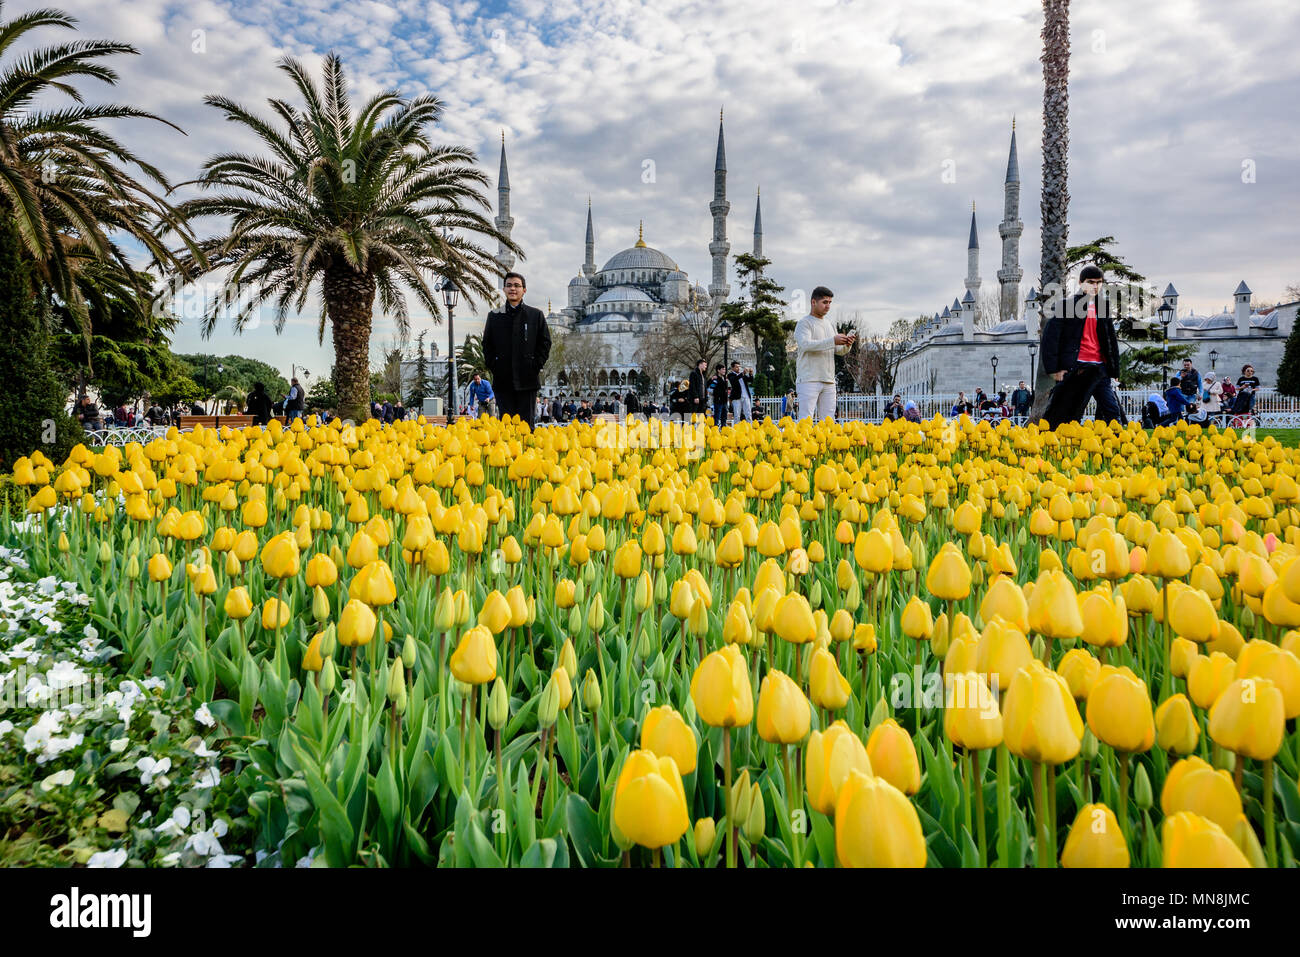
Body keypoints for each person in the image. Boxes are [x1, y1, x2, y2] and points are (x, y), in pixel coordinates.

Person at [1039, 265, 1120, 429]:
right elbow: (1051, 338)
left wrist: (1114, 370)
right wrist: (1055, 368)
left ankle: (1118, 446)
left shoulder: (1102, 308)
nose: (1095, 286)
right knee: (1068, 412)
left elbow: (1111, 340)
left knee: (1111, 410)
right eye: (1091, 282)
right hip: (1076, 367)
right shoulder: (1067, 306)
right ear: (1081, 283)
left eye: (1099, 282)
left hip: (1099, 368)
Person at [482, 271, 552, 429]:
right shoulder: (494, 316)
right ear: (504, 289)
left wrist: (535, 365)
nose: (513, 288)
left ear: (524, 290)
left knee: (526, 427)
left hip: (527, 381)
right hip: (503, 381)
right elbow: (487, 345)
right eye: (509, 285)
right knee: (507, 427)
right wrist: (495, 366)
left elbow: (545, 343)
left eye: (516, 285)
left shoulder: (535, 315)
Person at [794, 286, 854, 421]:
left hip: (828, 380)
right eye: (825, 302)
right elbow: (805, 345)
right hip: (809, 379)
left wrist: (847, 345)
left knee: (828, 422)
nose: (828, 306)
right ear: (813, 302)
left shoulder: (829, 324)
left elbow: (838, 351)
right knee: (805, 421)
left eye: (830, 303)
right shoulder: (804, 323)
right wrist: (833, 340)